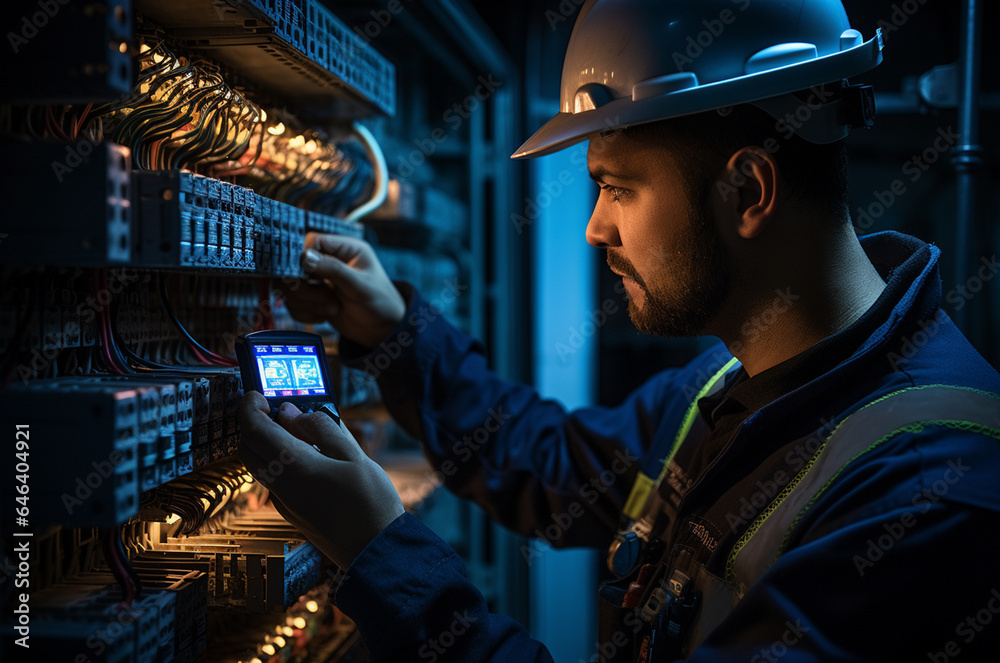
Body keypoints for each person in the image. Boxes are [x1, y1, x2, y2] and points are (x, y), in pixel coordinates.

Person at [238, 0, 1000, 660]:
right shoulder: (728, 381)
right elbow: (546, 463)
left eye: (617, 187)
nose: (596, 228)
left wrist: (383, 552)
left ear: (749, 188)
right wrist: (396, 331)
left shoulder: (922, 494)